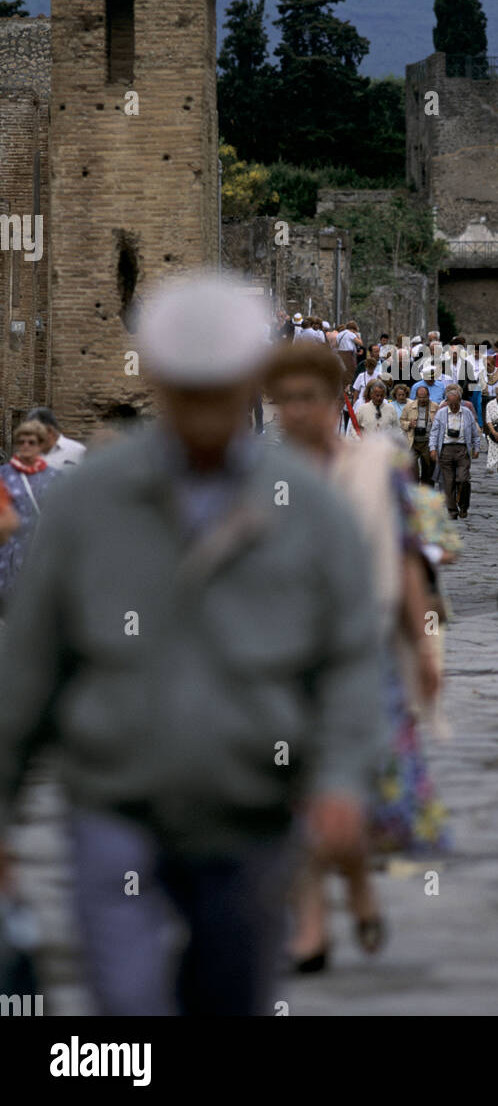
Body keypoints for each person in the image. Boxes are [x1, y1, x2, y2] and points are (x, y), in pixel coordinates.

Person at [0, 272, 383, 1016]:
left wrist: (340, 776)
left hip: (249, 806)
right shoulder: (88, 503)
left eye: (220, 390)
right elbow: (29, 664)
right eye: (187, 391)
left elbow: (346, 660)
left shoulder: (306, 510)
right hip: (115, 800)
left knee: (229, 995)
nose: (205, 412)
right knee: (128, 1002)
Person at [266, 340, 446, 970]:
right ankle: (310, 925)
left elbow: (404, 558)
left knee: (356, 793)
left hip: (364, 651)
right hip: (284, 659)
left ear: (333, 398)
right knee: (295, 796)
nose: (296, 410)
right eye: (284, 398)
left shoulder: (376, 464)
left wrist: (423, 644)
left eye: (308, 397)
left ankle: (362, 887)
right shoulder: (264, 478)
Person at [0, 420, 60, 612]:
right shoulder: (3, 474)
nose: (26, 446)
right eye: (22, 441)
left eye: (31, 442)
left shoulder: (55, 476)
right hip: (9, 547)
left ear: (41, 445)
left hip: (42, 544)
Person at [430, 385, 481, 520]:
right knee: (448, 482)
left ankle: (463, 506)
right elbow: (434, 432)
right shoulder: (441, 413)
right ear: (447, 402)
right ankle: (452, 510)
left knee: (463, 479)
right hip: (446, 449)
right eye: (450, 404)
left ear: (460, 401)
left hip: (462, 449)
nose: (453, 407)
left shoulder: (467, 412)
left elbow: (475, 433)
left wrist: (476, 448)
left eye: (455, 404)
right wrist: (433, 448)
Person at [400, 384, 438, 484]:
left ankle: (427, 493)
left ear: (428, 396)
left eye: (424, 397)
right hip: (413, 442)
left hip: (428, 442)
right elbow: (401, 422)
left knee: (428, 471)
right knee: (413, 471)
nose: (422, 399)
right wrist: (409, 424)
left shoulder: (435, 406)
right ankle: (414, 493)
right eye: (420, 397)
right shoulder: (408, 407)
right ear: (416, 397)